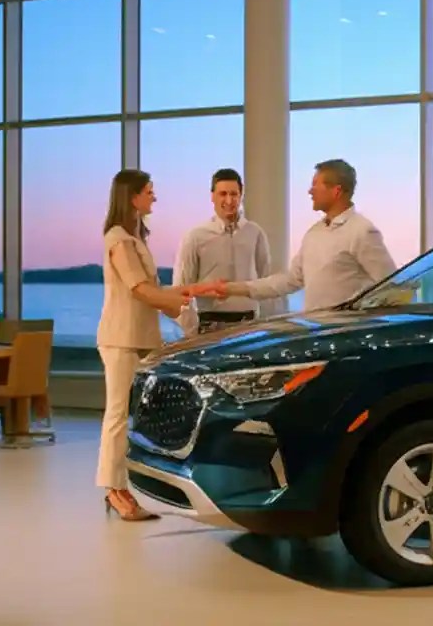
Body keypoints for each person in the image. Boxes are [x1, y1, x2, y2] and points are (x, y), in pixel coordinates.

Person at [96, 168, 192, 522]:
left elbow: (150, 290)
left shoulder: (135, 238)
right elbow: (139, 289)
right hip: (121, 339)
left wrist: (187, 294)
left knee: (133, 417)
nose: (154, 197)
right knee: (118, 416)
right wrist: (176, 304)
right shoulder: (119, 239)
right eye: (149, 191)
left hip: (140, 339)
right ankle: (113, 489)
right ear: (132, 196)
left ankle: (126, 486)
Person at [194, 159, 397, 311]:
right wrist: (232, 289)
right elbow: (290, 280)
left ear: (336, 191)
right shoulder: (314, 233)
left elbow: (395, 289)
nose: (310, 191)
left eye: (316, 184)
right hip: (316, 336)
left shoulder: (362, 231)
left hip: (347, 342)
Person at [172, 168, 273, 334]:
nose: (229, 200)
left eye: (234, 194)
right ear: (212, 196)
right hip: (208, 322)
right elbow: (181, 287)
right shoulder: (195, 236)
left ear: (241, 195)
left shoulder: (255, 233)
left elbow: (265, 281)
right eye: (223, 194)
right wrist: (189, 330)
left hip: (248, 322)